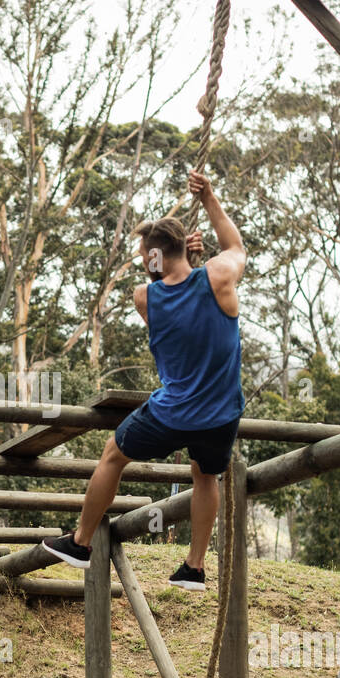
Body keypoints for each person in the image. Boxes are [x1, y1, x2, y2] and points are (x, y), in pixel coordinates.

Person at [42, 171, 245, 590]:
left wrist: (182, 262)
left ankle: (80, 543)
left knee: (114, 453)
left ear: (154, 257)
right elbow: (234, 247)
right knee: (205, 476)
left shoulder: (145, 297)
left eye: (143, 256)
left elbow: (166, 285)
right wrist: (207, 198)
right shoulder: (220, 277)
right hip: (224, 412)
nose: (141, 261)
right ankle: (194, 567)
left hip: (174, 412)